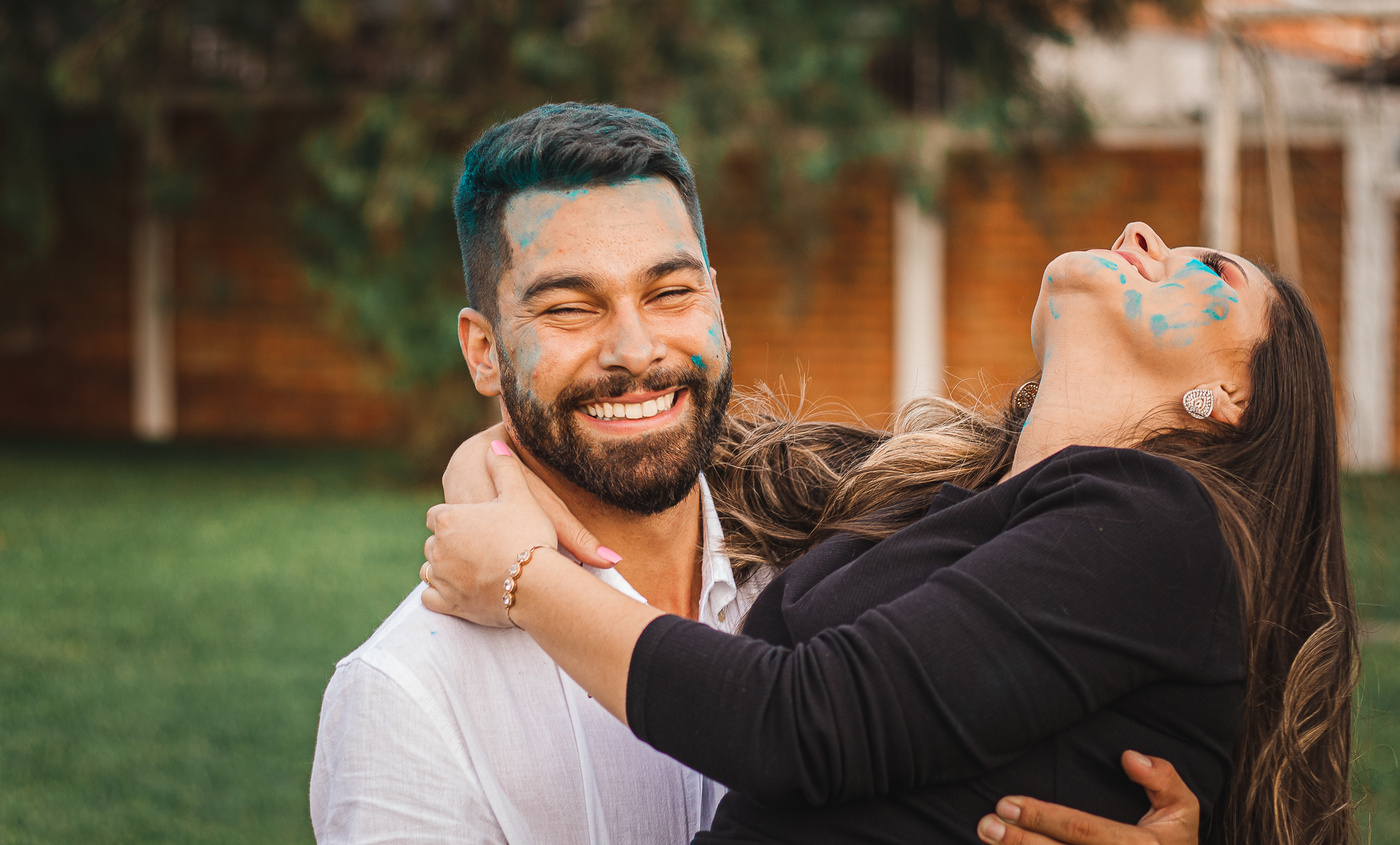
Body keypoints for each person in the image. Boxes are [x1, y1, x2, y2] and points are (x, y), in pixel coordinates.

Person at [312, 101, 1199, 845]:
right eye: (571, 308)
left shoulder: (857, 553)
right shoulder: (407, 698)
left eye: (670, 293)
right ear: (482, 350)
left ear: (719, 307)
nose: (636, 349)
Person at [421, 219, 1360, 845]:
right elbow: (607, 429)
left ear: (1233, 398)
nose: (1144, 234)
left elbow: (799, 723)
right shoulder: (929, 488)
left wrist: (521, 575)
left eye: (1212, 273)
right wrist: (486, 480)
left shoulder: (1160, 525)